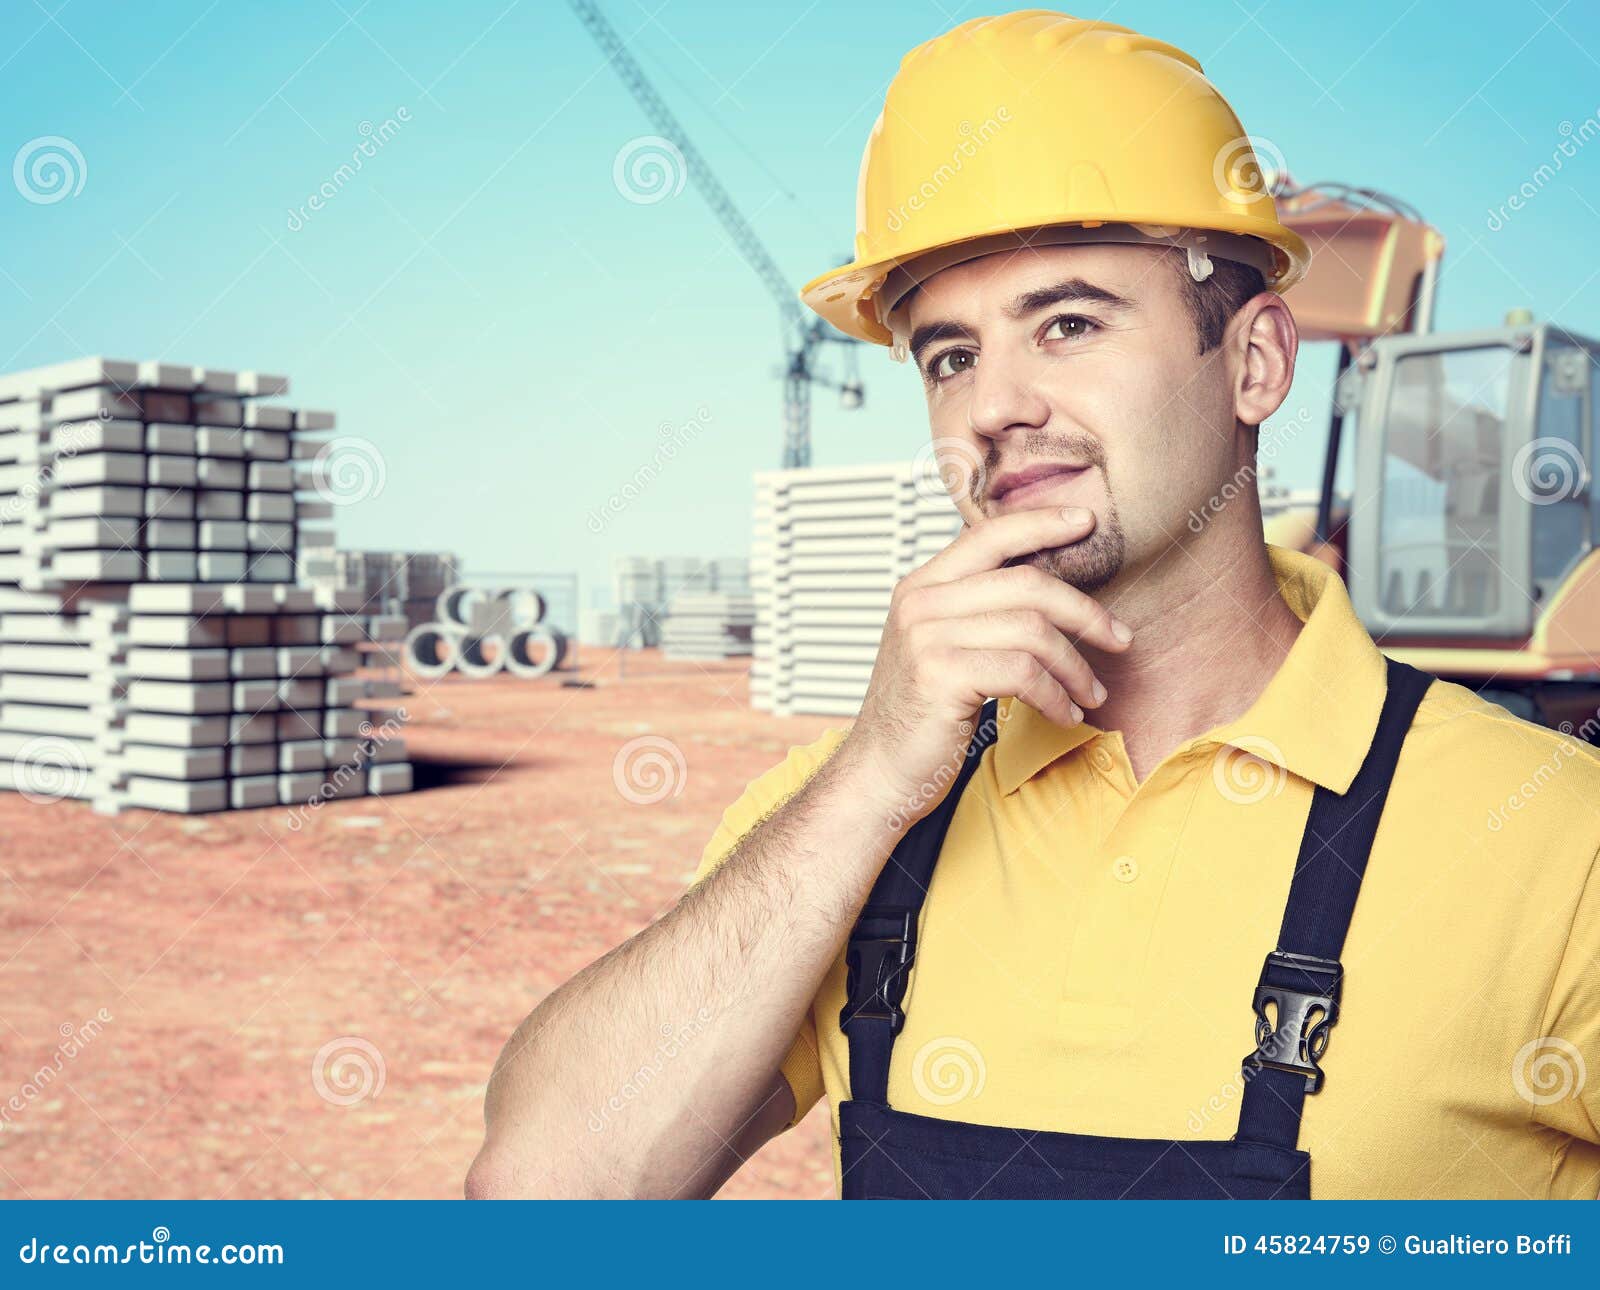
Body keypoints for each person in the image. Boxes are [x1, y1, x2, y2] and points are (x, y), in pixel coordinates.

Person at [467, 9, 1600, 1200]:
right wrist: (865, 785)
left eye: (1067, 324)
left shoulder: (1551, 842)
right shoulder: (843, 824)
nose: (994, 404)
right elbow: (540, 1198)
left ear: (1256, 363)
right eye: (949, 355)